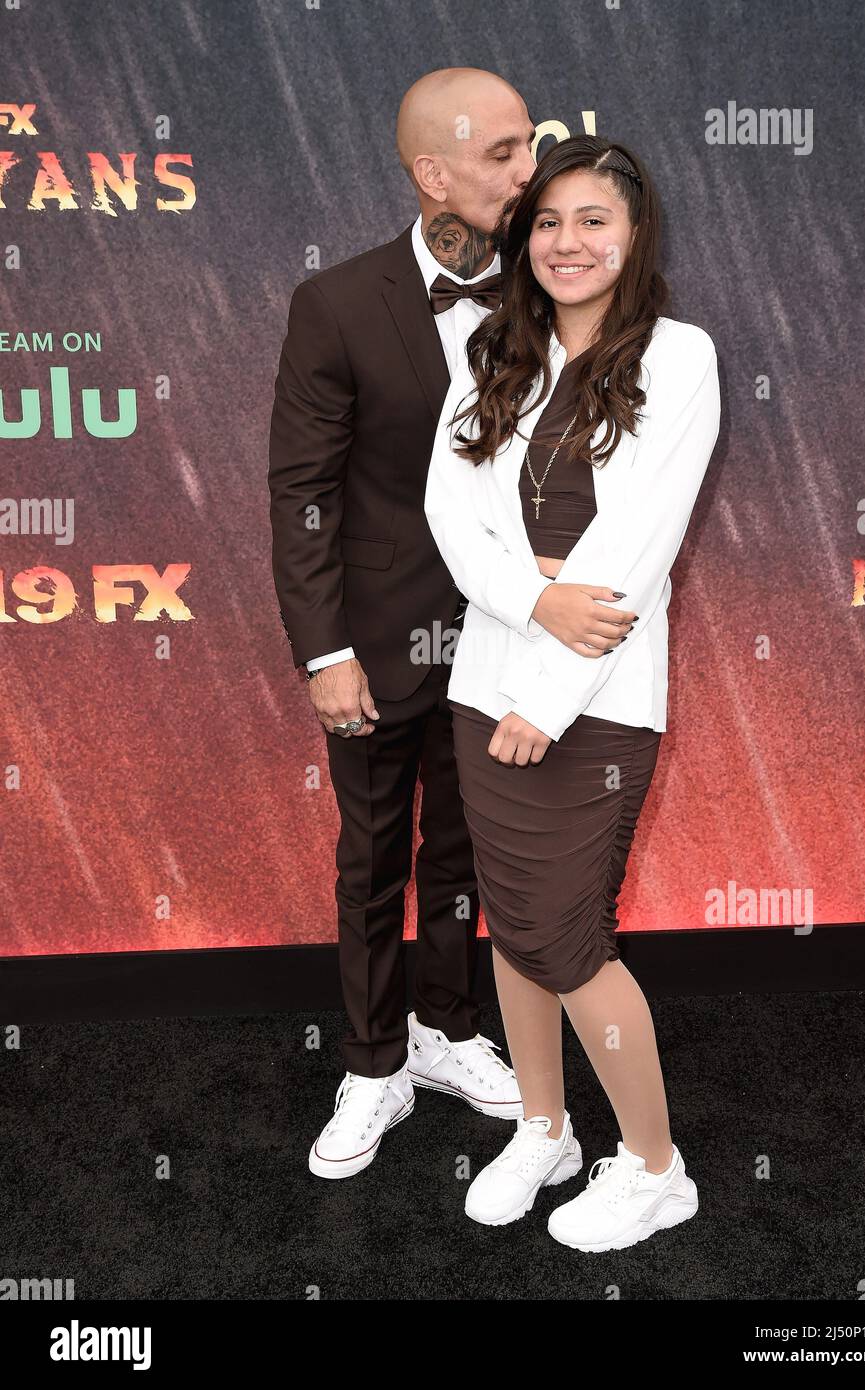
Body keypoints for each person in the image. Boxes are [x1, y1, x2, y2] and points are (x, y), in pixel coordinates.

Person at [424, 134, 720, 1249]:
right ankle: (542, 1126)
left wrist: (545, 694)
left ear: (634, 233)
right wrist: (531, 596)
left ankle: (655, 1165)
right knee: (513, 929)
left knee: (569, 939)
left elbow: (635, 547)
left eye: (594, 218)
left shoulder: (678, 357)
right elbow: (456, 518)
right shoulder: (488, 348)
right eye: (548, 221)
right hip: (484, 683)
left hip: (587, 706)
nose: (567, 241)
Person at [268, 68, 546, 1179]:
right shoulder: (335, 302)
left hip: (505, 640)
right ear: (432, 173)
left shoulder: (549, 282)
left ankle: (446, 1029)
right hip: (377, 646)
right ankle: (374, 1064)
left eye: (531, 149)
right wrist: (324, 650)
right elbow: (304, 492)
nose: (530, 171)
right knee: (373, 856)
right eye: (506, 154)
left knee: (465, 855)